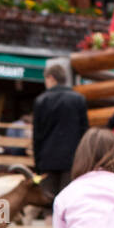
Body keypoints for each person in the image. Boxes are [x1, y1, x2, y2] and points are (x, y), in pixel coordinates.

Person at [32, 57, 89, 198]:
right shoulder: (78, 99)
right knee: (70, 199)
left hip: (47, 159)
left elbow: (37, 135)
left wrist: (37, 163)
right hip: (73, 159)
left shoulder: (41, 101)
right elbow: (85, 132)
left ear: (51, 78)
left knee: (48, 202)